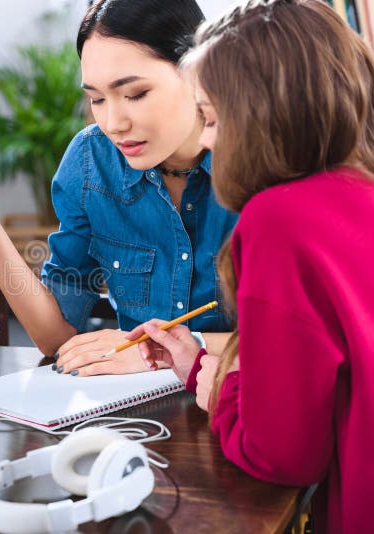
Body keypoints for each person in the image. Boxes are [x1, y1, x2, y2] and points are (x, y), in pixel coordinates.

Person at [128, 1, 374, 531]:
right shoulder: (362, 192)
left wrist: (218, 386)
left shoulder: (277, 219)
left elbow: (283, 455)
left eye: (212, 119)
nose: (209, 140)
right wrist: (201, 366)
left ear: (260, 115)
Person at [0, 0, 237, 375]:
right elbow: (56, 338)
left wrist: (160, 349)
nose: (113, 123)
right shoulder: (89, 162)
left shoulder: (265, 159)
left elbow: (302, 340)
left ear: (198, 70)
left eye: (135, 94)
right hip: (139, 411)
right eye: (97, 99)